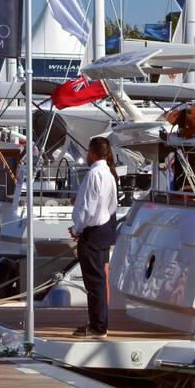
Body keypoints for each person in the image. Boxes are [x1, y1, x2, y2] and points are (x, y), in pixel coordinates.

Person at [69, 136, 119, 341]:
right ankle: (98, 323)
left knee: (94, 282)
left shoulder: (94, 174)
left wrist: (78, 228)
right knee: (99, 280)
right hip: (104, 229)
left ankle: (98, 326)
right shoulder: (109, 174)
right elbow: (111, 204)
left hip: (93, 231)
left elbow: (88, 207)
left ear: (91, 153)